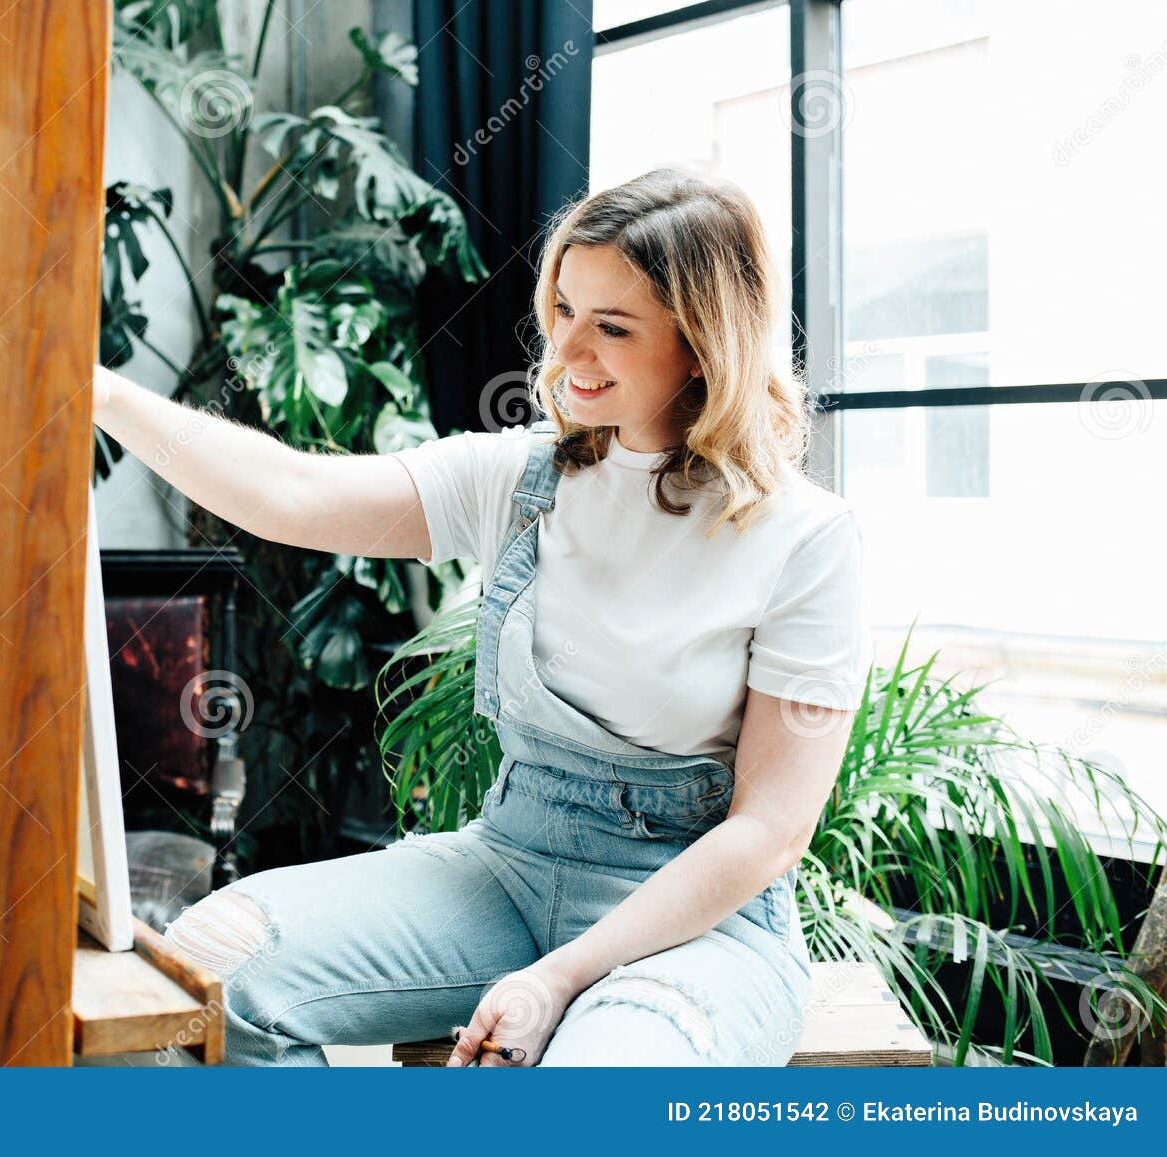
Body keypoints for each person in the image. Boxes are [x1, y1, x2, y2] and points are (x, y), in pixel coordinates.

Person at [91, 167, 869, 1067]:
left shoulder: (806, 537)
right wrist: (106, 396)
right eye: (565, 308)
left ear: (702, 346)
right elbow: (291, 493)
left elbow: (769, 830)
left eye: (612, 328)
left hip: (700, 921)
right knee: (205, 971)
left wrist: (559, 977)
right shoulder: (523, 478)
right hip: (507, 865)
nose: (568, 351)